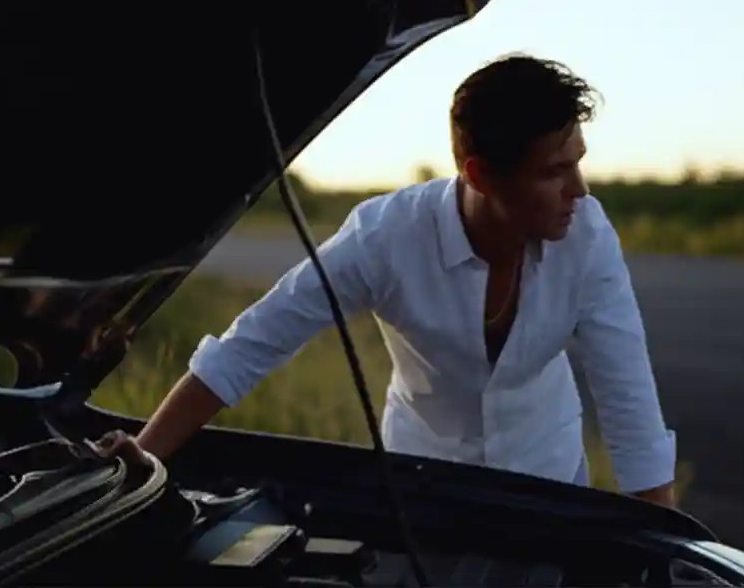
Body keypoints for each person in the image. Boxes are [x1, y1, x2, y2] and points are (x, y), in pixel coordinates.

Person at [97, 54, 678, 508]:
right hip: (422, 489)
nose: (580, 189)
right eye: (555, 171)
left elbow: (629, 401)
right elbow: (251, 345)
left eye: (579, 161)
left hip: (549, 484)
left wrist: (666, 559)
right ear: (480, 175)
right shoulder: (384, 238)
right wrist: (142, 456)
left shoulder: (588, 235)